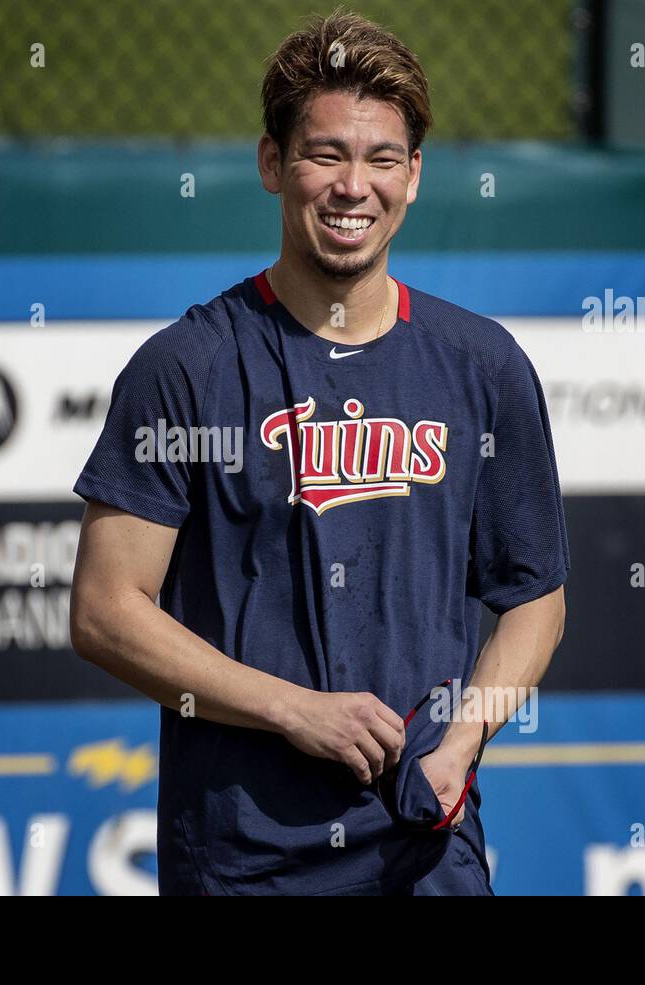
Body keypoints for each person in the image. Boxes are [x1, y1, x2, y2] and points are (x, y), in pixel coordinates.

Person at [70, 10, 568, 895]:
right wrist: (295, 710)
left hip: (426, 850)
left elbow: (535, 600)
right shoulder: (186, 368)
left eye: (382, 159)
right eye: (325, 154)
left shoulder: (482, 366)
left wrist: (463, 741)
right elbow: (107, 611)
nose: (353, 187)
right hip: (242, 860)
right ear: (272, 164)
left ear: (414, 177)